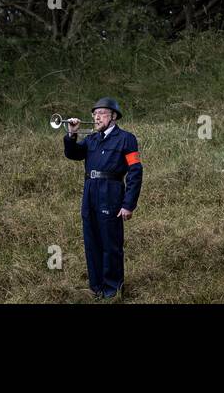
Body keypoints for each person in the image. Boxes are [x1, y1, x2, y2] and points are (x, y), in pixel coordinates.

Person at [63, 97, 142, 298]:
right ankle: (96, 288)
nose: (96, 117)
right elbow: (73, 154)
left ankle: (112, 290)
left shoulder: (126, 138)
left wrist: (128, 204)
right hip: (90, 193)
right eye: (94, 114)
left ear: (113, 116)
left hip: (111, 192)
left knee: (110, 244)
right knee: (92, 242)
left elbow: (135, 171)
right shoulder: (91, 139)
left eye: (101, 113)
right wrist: (71, 134)